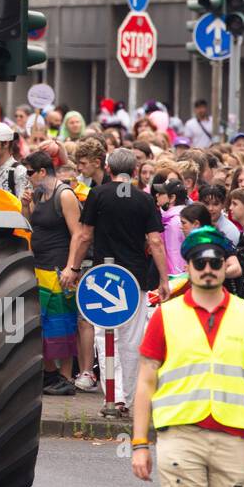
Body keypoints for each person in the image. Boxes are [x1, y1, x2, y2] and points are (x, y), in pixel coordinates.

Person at [132, 226, 244, 487]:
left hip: (234, 437)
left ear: (224, 266)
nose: (207, 268)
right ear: (188, 267)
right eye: (200, 262)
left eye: (215, 262)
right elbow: (145, 382)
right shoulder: (166, 315)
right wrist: (139, 443)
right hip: (180, 436)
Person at [67, 148, 170, 416]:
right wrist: (164, 279)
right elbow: (156, 241)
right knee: (133, 340)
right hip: (135, 277)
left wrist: (74, 267)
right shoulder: (146, 201)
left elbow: (85, 235)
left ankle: (114, 397)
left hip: (104, 277)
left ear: (109, 169)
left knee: (104, 335)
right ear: (134, 172)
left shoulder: (98, 195)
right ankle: (131, 398)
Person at [25, 150, 82, 395]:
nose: (27, 177)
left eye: (29, 172)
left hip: (59, 267)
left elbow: (78, 234)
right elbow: (31, 226)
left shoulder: (65, 194)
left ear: (41, 171)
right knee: (42, 323)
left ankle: (65, 377)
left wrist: (72, 267)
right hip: (39, 265)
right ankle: (49, 373)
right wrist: (26, 206)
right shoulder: (39, 193)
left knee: (62, 324)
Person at [152, 178, 188, 275]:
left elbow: (174, 254)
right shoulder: (174, 218)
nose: (157, 195)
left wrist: (173, 280)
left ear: (172, 198)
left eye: (161, 193)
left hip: (175, 278)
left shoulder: (174, 223)